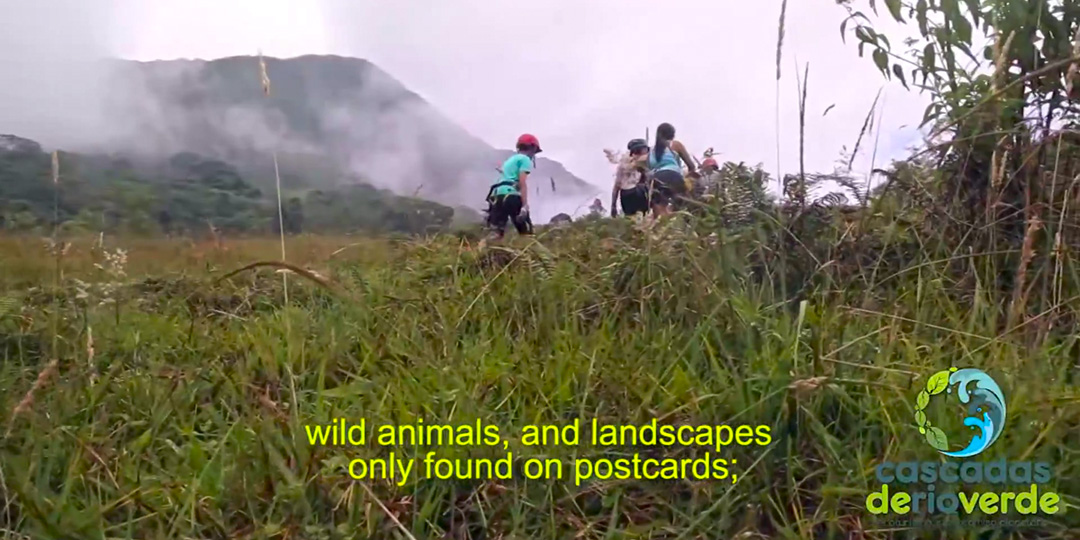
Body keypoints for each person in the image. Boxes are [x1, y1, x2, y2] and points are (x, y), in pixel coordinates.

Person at [485, 134, 540, 239]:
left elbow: (506, 175)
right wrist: (524, 206)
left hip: (497, 195)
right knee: (527, 233)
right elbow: (522, 182)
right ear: (532, 147)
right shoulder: (525, 159)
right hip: (511, 194)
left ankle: (482, 252)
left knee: (496, 232)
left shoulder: (509, 161)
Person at [647, 122, 699, 217]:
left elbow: (648, 169)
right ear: (672, 134)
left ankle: (663, 227)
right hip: (674, 176)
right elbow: (691, 166)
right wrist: (687, 177)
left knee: (660, 208)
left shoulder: (651, 151)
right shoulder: (675, 145)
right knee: (683, 205)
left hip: (656, 179)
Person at [610, 138, 651, 217]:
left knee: (631, 219)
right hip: (637, 193)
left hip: (625, 196)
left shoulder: (623, 163)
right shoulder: (642, 161)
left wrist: (613, 205)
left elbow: (617, 186)